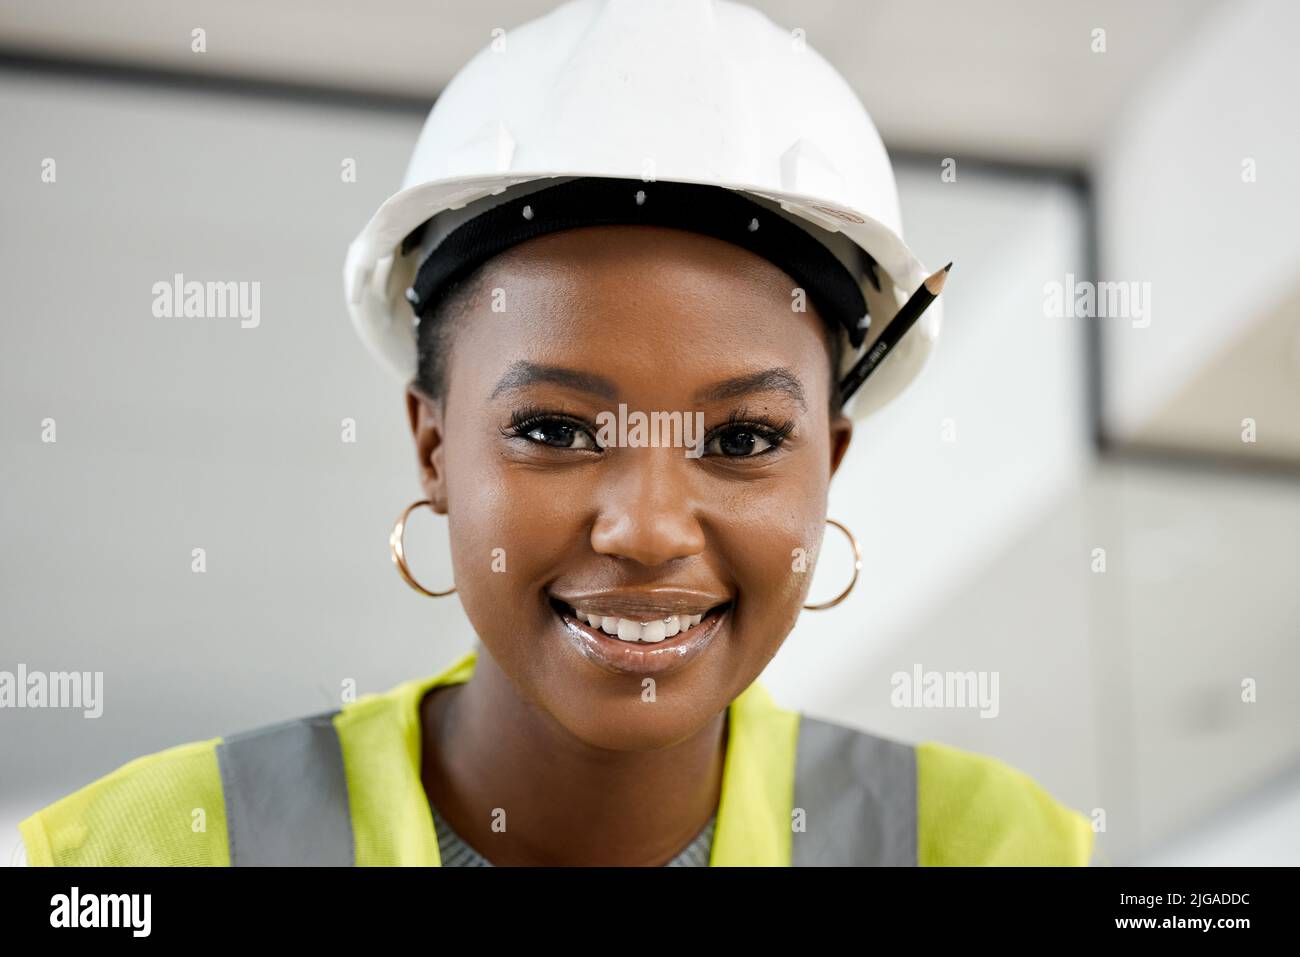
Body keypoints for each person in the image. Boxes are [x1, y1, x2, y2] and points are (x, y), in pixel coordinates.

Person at [18, 0, 1096, 867]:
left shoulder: (991, 849)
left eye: (743, 440)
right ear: (434, 448)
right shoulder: (136, 859)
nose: (647, 527)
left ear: (831, 467)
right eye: (554, 427)